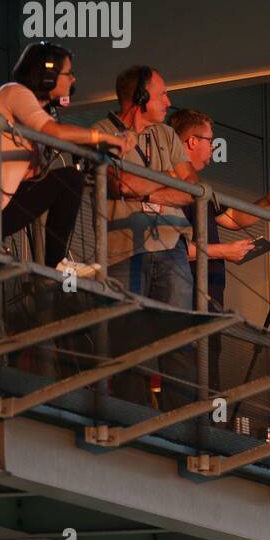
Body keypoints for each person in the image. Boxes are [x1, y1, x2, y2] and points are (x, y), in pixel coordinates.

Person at [0, 41, 133, 268]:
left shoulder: (33, 112)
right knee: (70, 179)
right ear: (48, 76)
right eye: (69, 73)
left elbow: (32, 176)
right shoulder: (14, 92)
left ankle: (55, 265)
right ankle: (56, 262)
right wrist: (105, 137)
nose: (73, 79)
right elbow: (54, 132)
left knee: (68, 181)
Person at [91, 66, 198, 409]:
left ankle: (183, 425)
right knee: (128, 342)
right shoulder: (100, 132)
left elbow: (191, 189)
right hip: (124, 249)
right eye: (162, 93)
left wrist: (146, 189)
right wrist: (166, 178)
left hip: (172, 245)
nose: (168, 101)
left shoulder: (167, 135)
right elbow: (118, 184)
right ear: (140, 96)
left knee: (180, 340)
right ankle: (130, 423)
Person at [168, 108, 270, 391]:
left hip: (210, 297)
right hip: (184, 297)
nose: (214, 147)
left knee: (209, 375)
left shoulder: (201, 189)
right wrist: (224, 251)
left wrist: (268, 200)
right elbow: (171, 248)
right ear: (191, 142)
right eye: (210, 140)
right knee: (186, 377)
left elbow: (234, 219)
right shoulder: (170, 186)